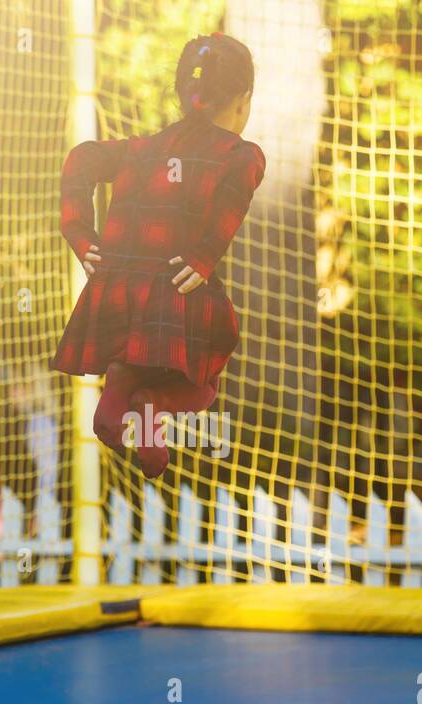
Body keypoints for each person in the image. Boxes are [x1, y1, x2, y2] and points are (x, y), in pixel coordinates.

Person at [52, 33, 266, 479]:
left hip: (119, 288)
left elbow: (80, 159)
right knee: (207, 379)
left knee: (134, 360)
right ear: (243, 101)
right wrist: (204, 256)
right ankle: (150, 404)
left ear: (185, 94)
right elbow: (231, 203)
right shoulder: (240, 155)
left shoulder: (140, 150)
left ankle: (120, 398)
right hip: (176, 287)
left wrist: (80, 233)